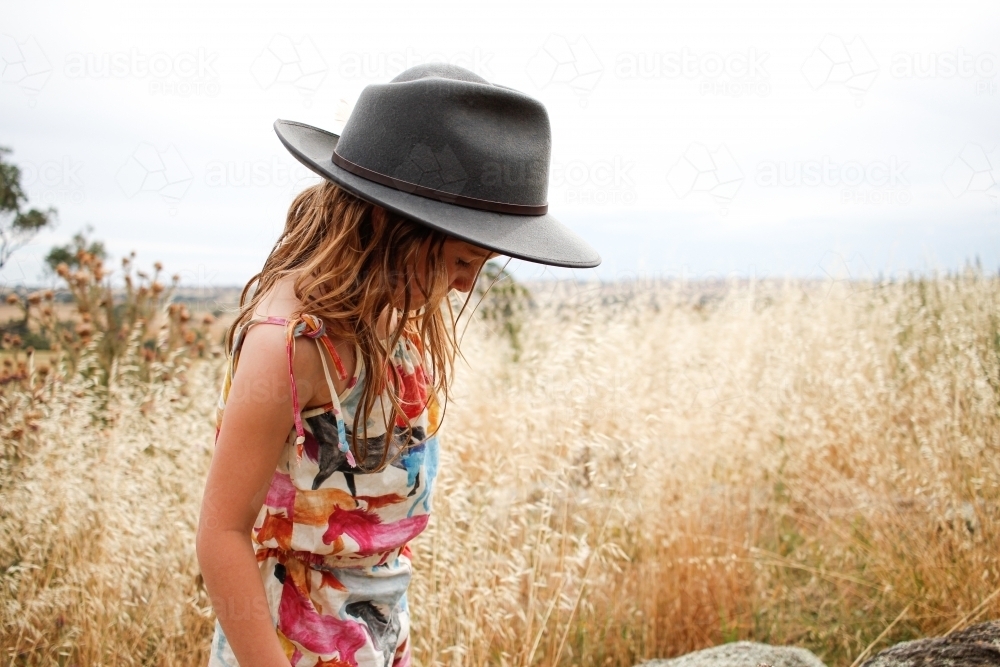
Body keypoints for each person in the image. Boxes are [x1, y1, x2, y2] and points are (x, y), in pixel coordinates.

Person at [196, 62, 601, 667]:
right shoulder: (292, 347)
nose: (467, 286)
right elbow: (221, 536)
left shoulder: (397, 315)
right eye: (463, 259)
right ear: (392, 225)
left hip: (378, 640)